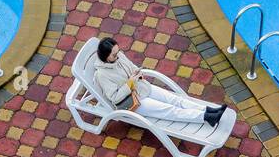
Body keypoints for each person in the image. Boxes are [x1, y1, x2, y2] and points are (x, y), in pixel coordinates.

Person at [93, 37, 227, 128]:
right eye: (114, 55)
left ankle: (208, 110)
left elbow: (131, 66)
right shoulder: (102, 74)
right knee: (170, 110)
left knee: (175, 99)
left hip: (142, 87)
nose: (118, 56)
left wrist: (137, 72)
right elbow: (114, 97)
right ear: (106, 57)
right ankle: (206, 117)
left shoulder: (119, 56)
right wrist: (130, 83)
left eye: (118, 51)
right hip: (133, 101)